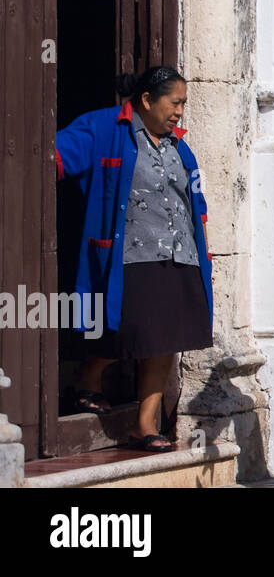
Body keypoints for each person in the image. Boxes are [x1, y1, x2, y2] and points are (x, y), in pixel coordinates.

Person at [55, 65, 214, 452]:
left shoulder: (181, 146)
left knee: (167, 340)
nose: (179, 112)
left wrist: (203, 255)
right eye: (174, 103)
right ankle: (87, 377)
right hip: (132, 255)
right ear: (147, 100)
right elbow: (50, 157)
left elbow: (195, 202)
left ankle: (144, 425)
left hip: (181, 255)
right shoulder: (104, 128)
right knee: (133, 332)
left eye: (183, 104)